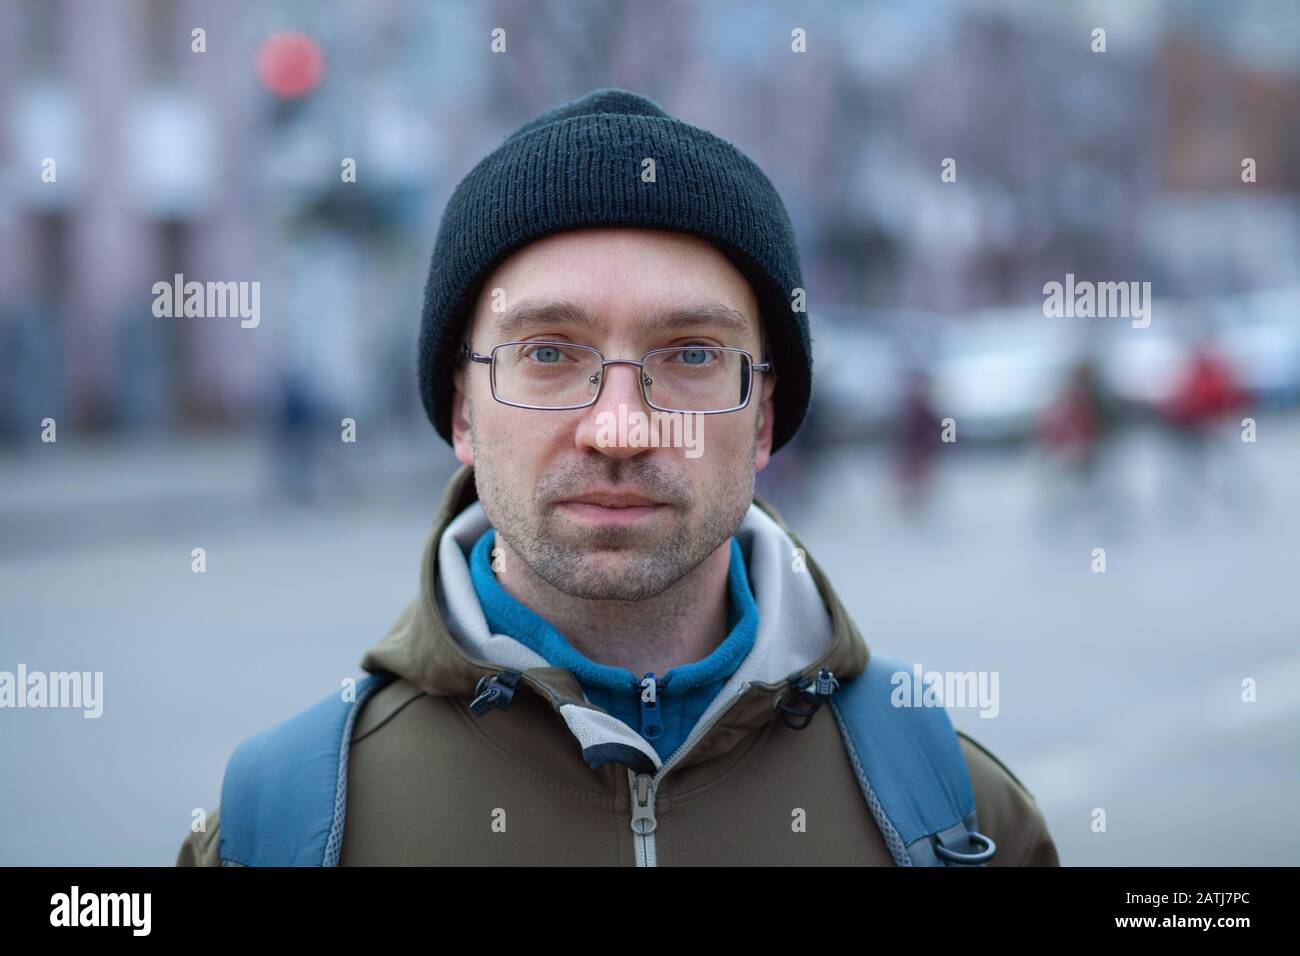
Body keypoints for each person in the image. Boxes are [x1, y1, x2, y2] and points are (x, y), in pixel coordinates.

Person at [177, 87, 1058, 867]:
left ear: (762, 418)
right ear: (460, 413)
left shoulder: (954, 818)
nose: (620, 429)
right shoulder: (282, 830)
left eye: (692, 355)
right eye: (550, 353)